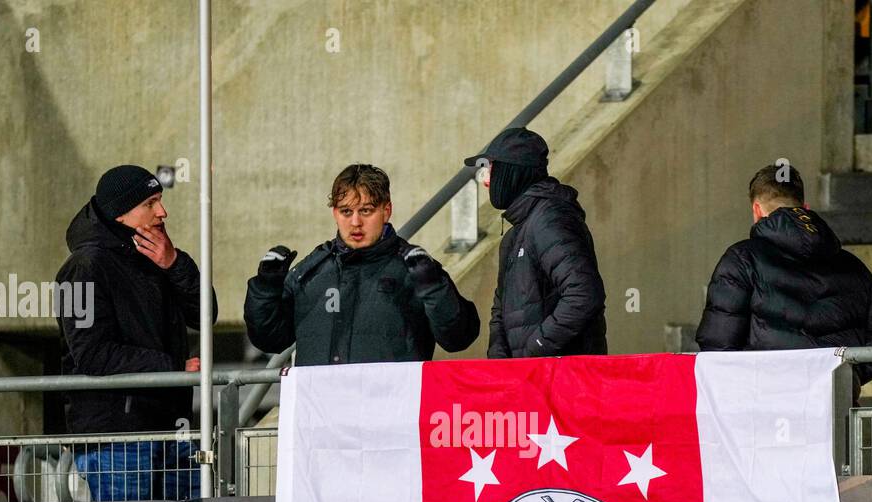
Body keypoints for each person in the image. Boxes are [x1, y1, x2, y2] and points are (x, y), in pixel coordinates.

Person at [55, 164, 217, 501]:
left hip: (172, 432)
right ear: (120, 213)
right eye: (151, 203)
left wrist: (175, 264)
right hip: (117, 440)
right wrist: (172, 367)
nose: (163, 212)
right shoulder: (83, 268)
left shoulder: (156, 256)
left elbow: (206, 315)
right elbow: (92, 354)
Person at [243, 164, 478, 365]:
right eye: (346, 212)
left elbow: (458, 338)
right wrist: (266, 289)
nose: (356, 222)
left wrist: (434, 288)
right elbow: (269, 340)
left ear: (386, 211)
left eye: (366, 211)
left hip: (391, 414)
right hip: (321, 413)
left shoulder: (415, 268)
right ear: (335, 213)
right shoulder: (310, 271)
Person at [695, 163, 872, 403]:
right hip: (833, 413)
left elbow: (718, 346)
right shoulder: (856, 268)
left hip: (763, 410)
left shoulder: (741, 260)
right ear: (804, 207)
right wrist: (837, 384)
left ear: (756, 210)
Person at [464, 128, 607, 358]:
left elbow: (584, 294)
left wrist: (534, 350)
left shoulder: (550, 218)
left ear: (512, 172)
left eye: (490, 169)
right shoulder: (516, 233)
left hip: (564, 382)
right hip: (528, 382)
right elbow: (500, 310)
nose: (486, 182)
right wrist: (501, 361)